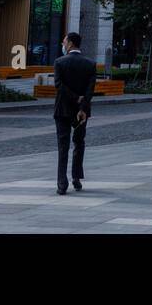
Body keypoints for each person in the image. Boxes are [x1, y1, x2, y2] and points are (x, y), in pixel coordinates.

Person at [52, 32, 97, 195]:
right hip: (81, 113)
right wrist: (82, 106)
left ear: (70, 43)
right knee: (79, 142)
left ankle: (61, 183)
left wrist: (75, 98)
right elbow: (90, 90)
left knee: (62, 146)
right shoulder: (90, 64)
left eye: (64, 41)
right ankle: (76, 178)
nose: (63, 44)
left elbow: (59, 85)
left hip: (63, 110)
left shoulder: (59, 62)